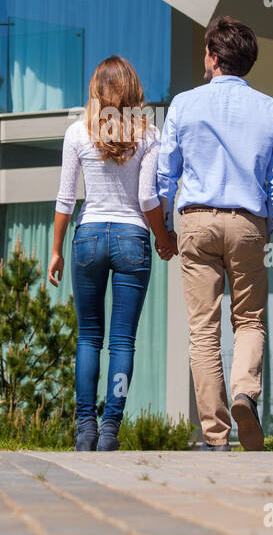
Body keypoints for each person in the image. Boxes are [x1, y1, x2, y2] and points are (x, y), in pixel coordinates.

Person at [156, 16, 273, 451]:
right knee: (249, 319)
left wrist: (164, 226)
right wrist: (267, 224)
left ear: (214, 58)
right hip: (247, 220)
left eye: (205, 52)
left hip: (196, 221)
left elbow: (165, 173)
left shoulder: (183, 104)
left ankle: (215, 437)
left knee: (203, 329)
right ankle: (243, 393)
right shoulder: (272, 110)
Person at [49, 56, 177, 452]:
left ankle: (84, 427)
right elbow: (146, 197)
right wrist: (164, 237)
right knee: (122, 342)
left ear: (96, 90)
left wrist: (55, 251)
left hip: (87, 238)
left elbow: (66, 199)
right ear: (132, 89)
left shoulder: (77, 133)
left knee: (89, 338)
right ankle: (109, 431)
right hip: (132, 240)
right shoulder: (149, 136)